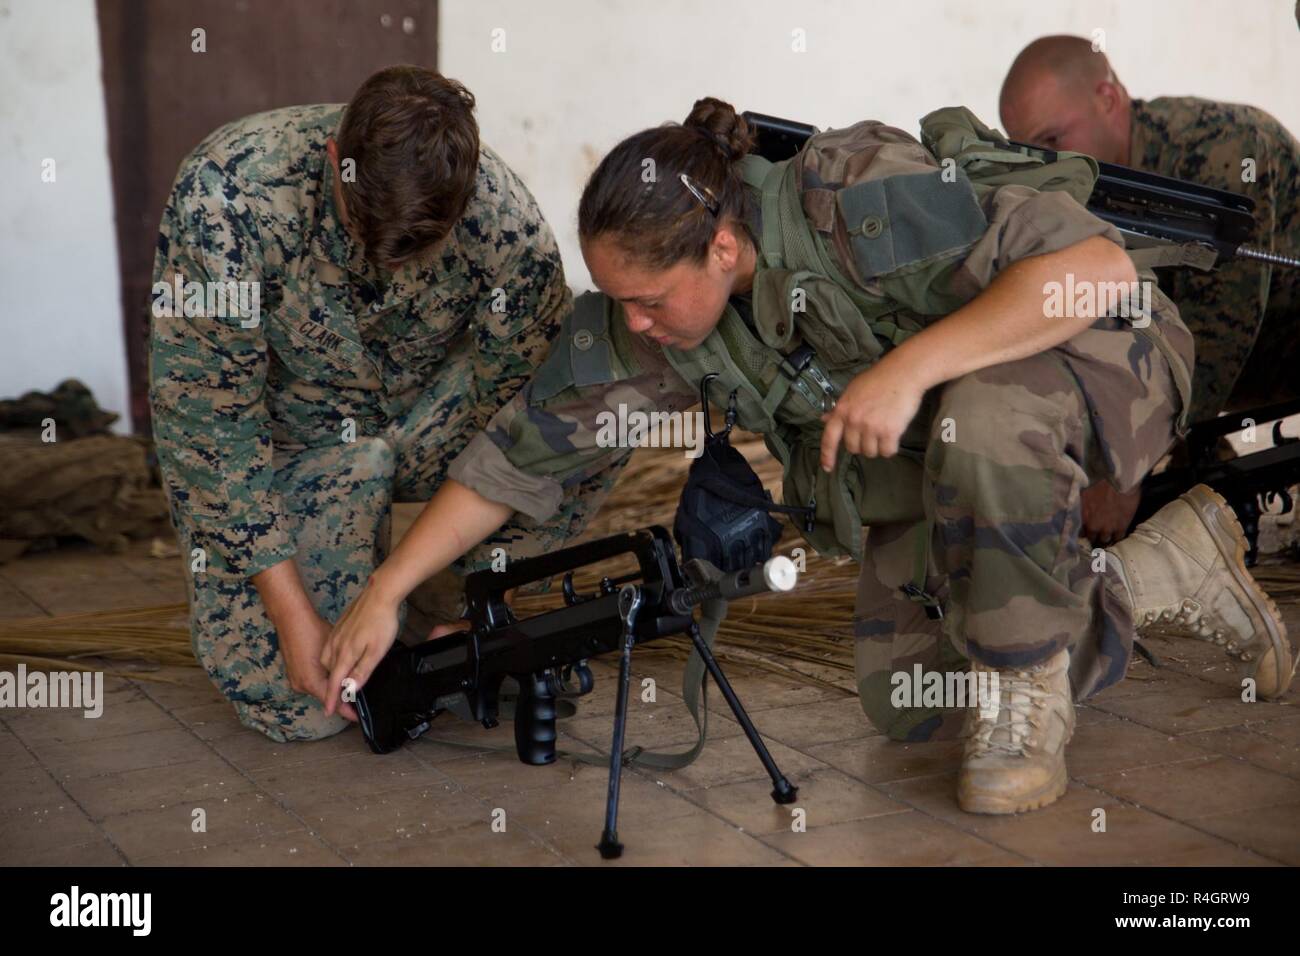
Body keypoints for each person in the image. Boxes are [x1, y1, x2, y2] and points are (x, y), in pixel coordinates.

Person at [324, 98, 1293, 815]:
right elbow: (516, 456)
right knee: (910, 700)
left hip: (1104, 349)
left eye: (649, 300)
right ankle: (1163, 569)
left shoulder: (857, 193)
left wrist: (905, 371)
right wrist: (386, 590)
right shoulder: (659, 315)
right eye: (619, 301)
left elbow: (1095, 269)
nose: (635, 323)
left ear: (722, 248)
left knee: (985, 419)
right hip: (946, 431)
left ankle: (1024, 714)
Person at [150, 66, 625, 743]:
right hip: (293, 450)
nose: (389, 266)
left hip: (421, 422)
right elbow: (208, 430)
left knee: (595, 414)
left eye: (418, 250)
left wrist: (462, 605)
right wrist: (292, 615)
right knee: (308, 709)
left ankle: (443, 607)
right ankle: (363, 607)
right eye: (360, 227)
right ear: (334, 160)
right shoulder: (227, 196)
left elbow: (529, 425)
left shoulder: (503, 222)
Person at [1000, 35, 1300, 544]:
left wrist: (1128, 470)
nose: (1045, 165)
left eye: (1052, 139)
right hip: (1233, 359)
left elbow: (1218, 336)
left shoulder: (1221, 148)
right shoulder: (1085, 181)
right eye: (1029, 152)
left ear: (1108, 99)